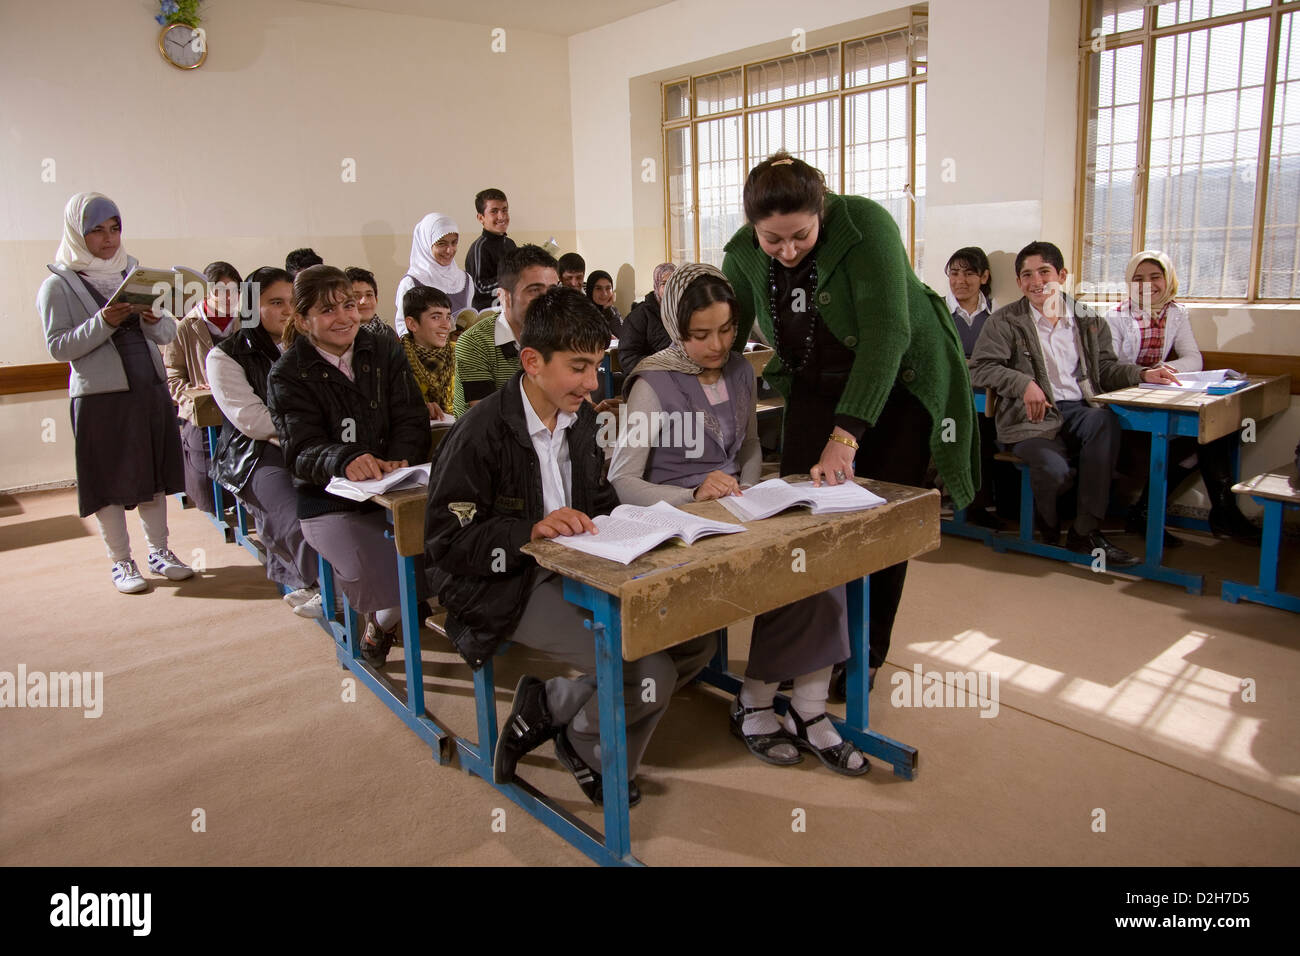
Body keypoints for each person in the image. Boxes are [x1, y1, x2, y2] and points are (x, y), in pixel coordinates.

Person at [424, 287, 715, 806]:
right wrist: (528, 531)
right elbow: (446, 542)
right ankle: (587, 745)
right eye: (579, 367)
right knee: (648, 670)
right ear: (532, 362)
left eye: (598, 364)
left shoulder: (579, 421)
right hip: (502, 581)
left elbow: (600, 501)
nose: (592, 382)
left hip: (580, 566)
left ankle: (552, 703)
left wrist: (639, 527)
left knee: (695, 639)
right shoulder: (480, 431)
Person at [722, 152, 978, 694]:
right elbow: (724, 339)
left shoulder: (865, 225)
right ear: (753, 228)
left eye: (801, 235)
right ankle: (796, 651)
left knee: (878, 523)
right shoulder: (743, 255)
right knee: (795, 517)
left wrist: (845, 439)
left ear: (823, 212)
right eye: (773, 239)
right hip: (817, 377)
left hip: (898, 378)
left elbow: (888, 335)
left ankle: (863, 656)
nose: (787, 251)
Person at [608, 264, 868, 775]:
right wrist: (693, 491)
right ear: (675, 328)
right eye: (700, 334)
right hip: (676, 522)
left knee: (821, 564)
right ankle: (755, 702)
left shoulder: (741, 371)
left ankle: (806, 707)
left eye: (727, 330)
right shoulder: (653, 383)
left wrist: (747, 485)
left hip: (735, 508)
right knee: (780, 573)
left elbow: (748, 445)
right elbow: (623, 480)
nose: (717, 345)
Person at [970, 241, 1180, 565]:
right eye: (1027, 275)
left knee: (1105, 422)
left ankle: (1085, 532)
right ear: (1018, 282)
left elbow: (1106, 368)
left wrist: (1144, 374)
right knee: (1057, 473)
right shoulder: (1004, 321)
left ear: (1062, 275)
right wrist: (1024, 383)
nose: (1036, 282)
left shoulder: (1088, 320)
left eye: (1044, 272)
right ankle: (1048, 522)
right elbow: (981, 367)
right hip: (1031, 418)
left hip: (1080, 411)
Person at [267, 266, 431, 665]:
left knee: (446, 557)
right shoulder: (288, 373)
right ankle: (380, 624)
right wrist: (346, 458)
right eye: (327, 311)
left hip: (398, 485)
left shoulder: (384, 348)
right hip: (331, 499)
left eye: (349, 305)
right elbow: (300, 449)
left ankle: (390, 619)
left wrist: (399, 457)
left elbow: (411, 414)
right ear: (303, 321)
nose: (344, 317)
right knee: (387, 576)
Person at [39, 191, 192, 593]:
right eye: (97, 231)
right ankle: (122, 562)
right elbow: (59, 347)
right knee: (109, 479)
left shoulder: (134, 272)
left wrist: (154, 317)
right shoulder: (58, 285)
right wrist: (104, 321)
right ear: (77, 234)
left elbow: (165, 334)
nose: (108, 239)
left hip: (148, 387)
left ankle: (160, 551)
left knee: (153, 476)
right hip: (100, 398)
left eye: (115, 229)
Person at [1105, 250, 1259, 542]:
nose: (1147, 285)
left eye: (1155, 277)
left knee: (1215, 433)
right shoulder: (1115, 317)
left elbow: (1193, 359)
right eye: (1138, 279)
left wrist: (1161, 369)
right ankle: (1221, 514)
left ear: (1168, 280)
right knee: (1200, 440)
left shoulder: (1175, 313)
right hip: (1120, 406)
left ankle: (1152, 513)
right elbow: (1109, 367)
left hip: (1155, 397)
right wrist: (1143, 374)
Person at [206, 266, 322, 617]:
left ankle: (338, 584)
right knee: (294, 519)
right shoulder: (225, 355)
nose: (287, 310)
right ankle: (323, 588)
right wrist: (309, 426)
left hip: (314, 444)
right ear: (252, 306)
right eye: (276, 302)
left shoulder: (312, 344)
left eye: (292, 302)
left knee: (344, 514)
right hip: (256, 453)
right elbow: (253, 420)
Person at [164, 260, 242, 516]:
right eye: (220, 290)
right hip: (204, 412)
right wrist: (193, 391)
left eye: (234, 290)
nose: (227, 297)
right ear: (207, 292)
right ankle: (221, 507)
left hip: (241, 405)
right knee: (207, 473)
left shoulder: (247, 322)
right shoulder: (186, 326)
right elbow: (172, 375)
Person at [452, 244, 558, 417]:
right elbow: (491, 418)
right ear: (504, 296)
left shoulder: (559, 336)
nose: (547, 301)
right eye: (534, 290)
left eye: (552, 291)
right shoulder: (474, 343)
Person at [945, 246, 1005, 529]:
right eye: (954, 273)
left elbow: (1002, 359)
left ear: (984, 277)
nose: (960, 280)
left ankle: (994, 503)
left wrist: (968, 363)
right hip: (947, 396)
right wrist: (974, 364)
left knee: (995, 430)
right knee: (970, 430)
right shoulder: (940, 312)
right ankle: (972, 505)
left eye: (969, 273)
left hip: (989, 399)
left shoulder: (998, 314)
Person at [393, 213, 473, 320]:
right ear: (426, 243)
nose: (449, 250)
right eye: (441, 244)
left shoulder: (464, 280)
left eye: (454, 243)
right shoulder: (411, 283)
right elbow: (403, 327)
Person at [399, 285, 456, 421]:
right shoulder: (395, 359)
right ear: (412, 324)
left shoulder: (461, 353)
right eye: (436, 317)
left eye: (448, 317)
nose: (446, 325)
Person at [617, 262, 675, 374]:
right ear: (657, 286)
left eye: (673, 283)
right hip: (649, 378)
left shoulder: (685, 313)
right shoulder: (639, 316)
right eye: (664, 283)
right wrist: (659, 365)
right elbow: (627, 358)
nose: (670, 288)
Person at [465, 188, 516, 310]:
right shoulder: (479, 248)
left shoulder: (509, 243)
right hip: (489, 315)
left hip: (508, 309)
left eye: (504, 210)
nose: (501, 216)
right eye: (494, 211)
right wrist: (512, 278)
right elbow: (479, 288)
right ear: (481, 218)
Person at [345, 266, 397, 343]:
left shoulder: (389, 333)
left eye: (369, 295)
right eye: (356, 296)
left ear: (376, 300)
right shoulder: (340, 335)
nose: (364, 301)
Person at [585, 270, 622, 340]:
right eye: (598, 288)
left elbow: (622, 335)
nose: (604, 294)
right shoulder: (582, 311)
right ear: (590, 290)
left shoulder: (612, 310)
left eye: (608, 288)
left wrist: (608, 309)